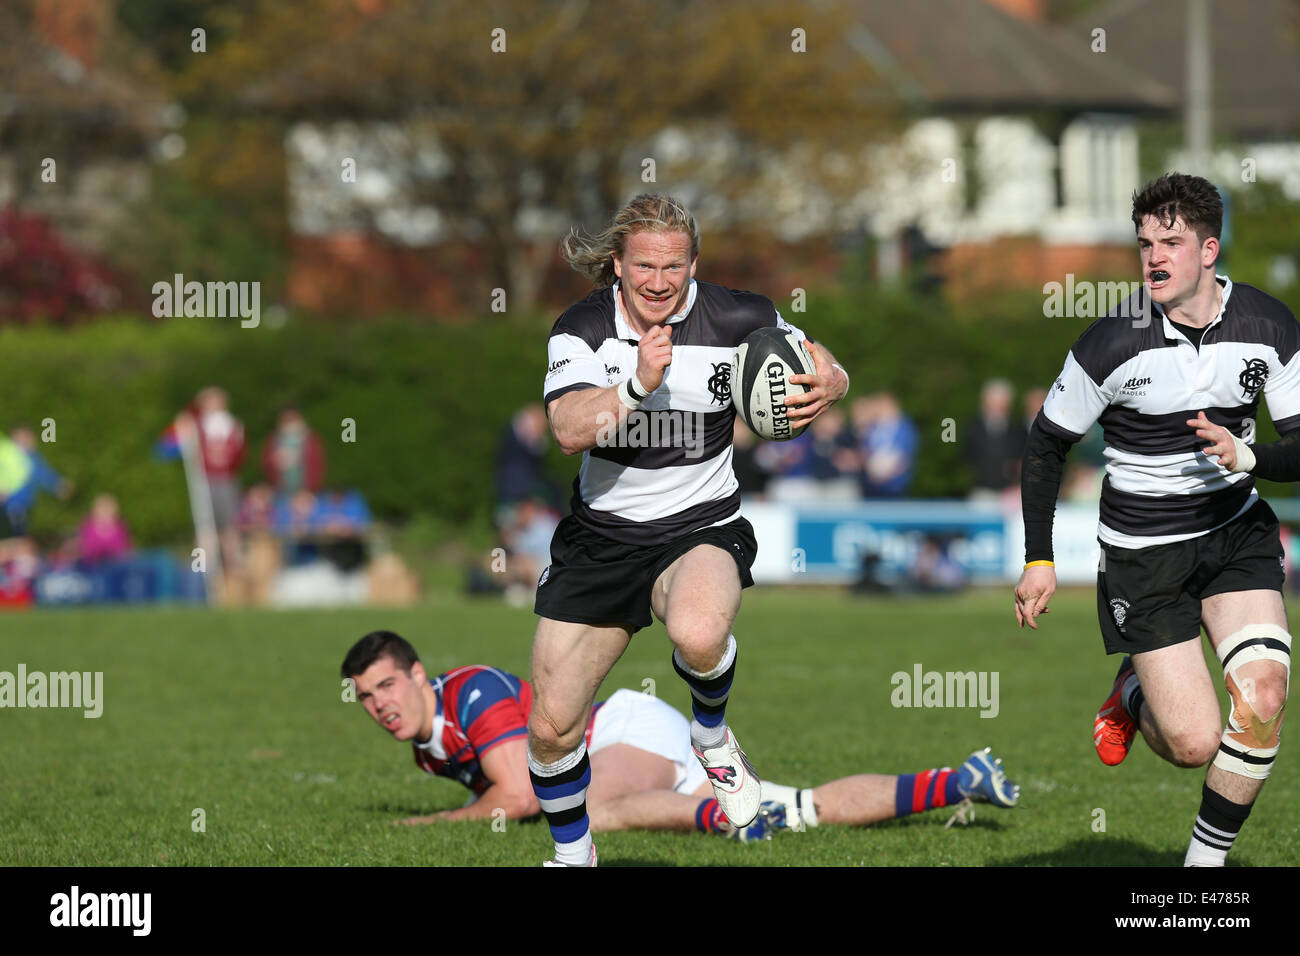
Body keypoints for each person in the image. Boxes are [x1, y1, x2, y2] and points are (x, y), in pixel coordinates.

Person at [530, 194, 851, 865]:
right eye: (643, 265)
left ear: (693, 264)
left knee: (699, 634)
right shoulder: (581, 328)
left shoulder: (741, 315)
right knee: (553, 729)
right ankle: (574, 856)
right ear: (617, 263)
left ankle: (711, 734)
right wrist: (637, 386)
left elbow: (817, 359)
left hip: (702, 525)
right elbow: (566, 430)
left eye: (673, 266)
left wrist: (834, 383)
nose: (657, 281)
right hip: (602, 539)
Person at [1015, 173, 1294, 867]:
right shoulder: (1112, 342)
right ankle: (1134, 690)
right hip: (1144, 556)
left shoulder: (1269, 327)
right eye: (1144, 244)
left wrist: (1248, 454)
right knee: (1195, 743)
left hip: (1236, 536)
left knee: (1262, 698)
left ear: (1209, 249)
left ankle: (1202, 874)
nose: (1153, 258)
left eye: (1170, 242)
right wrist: (1040, 560)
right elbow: (1046, 445)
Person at [341, 631, 1019, 843]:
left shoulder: (470, 693)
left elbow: (517, 795)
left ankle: (721, 821)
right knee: (801, 807)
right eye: (367, 697)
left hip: (627, 732)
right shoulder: (428, 745)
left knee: (594, 815)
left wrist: (426, 823)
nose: (380, 705)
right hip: (650, 751)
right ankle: (958, 781)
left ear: (418, 676)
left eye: (387, 686)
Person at [964, 379, 1024, 501]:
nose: (997, 408)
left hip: (1012, 493)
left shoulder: (1019, 430)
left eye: (1001, 403)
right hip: (982, 491)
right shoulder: (972, 428)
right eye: (993, 403)